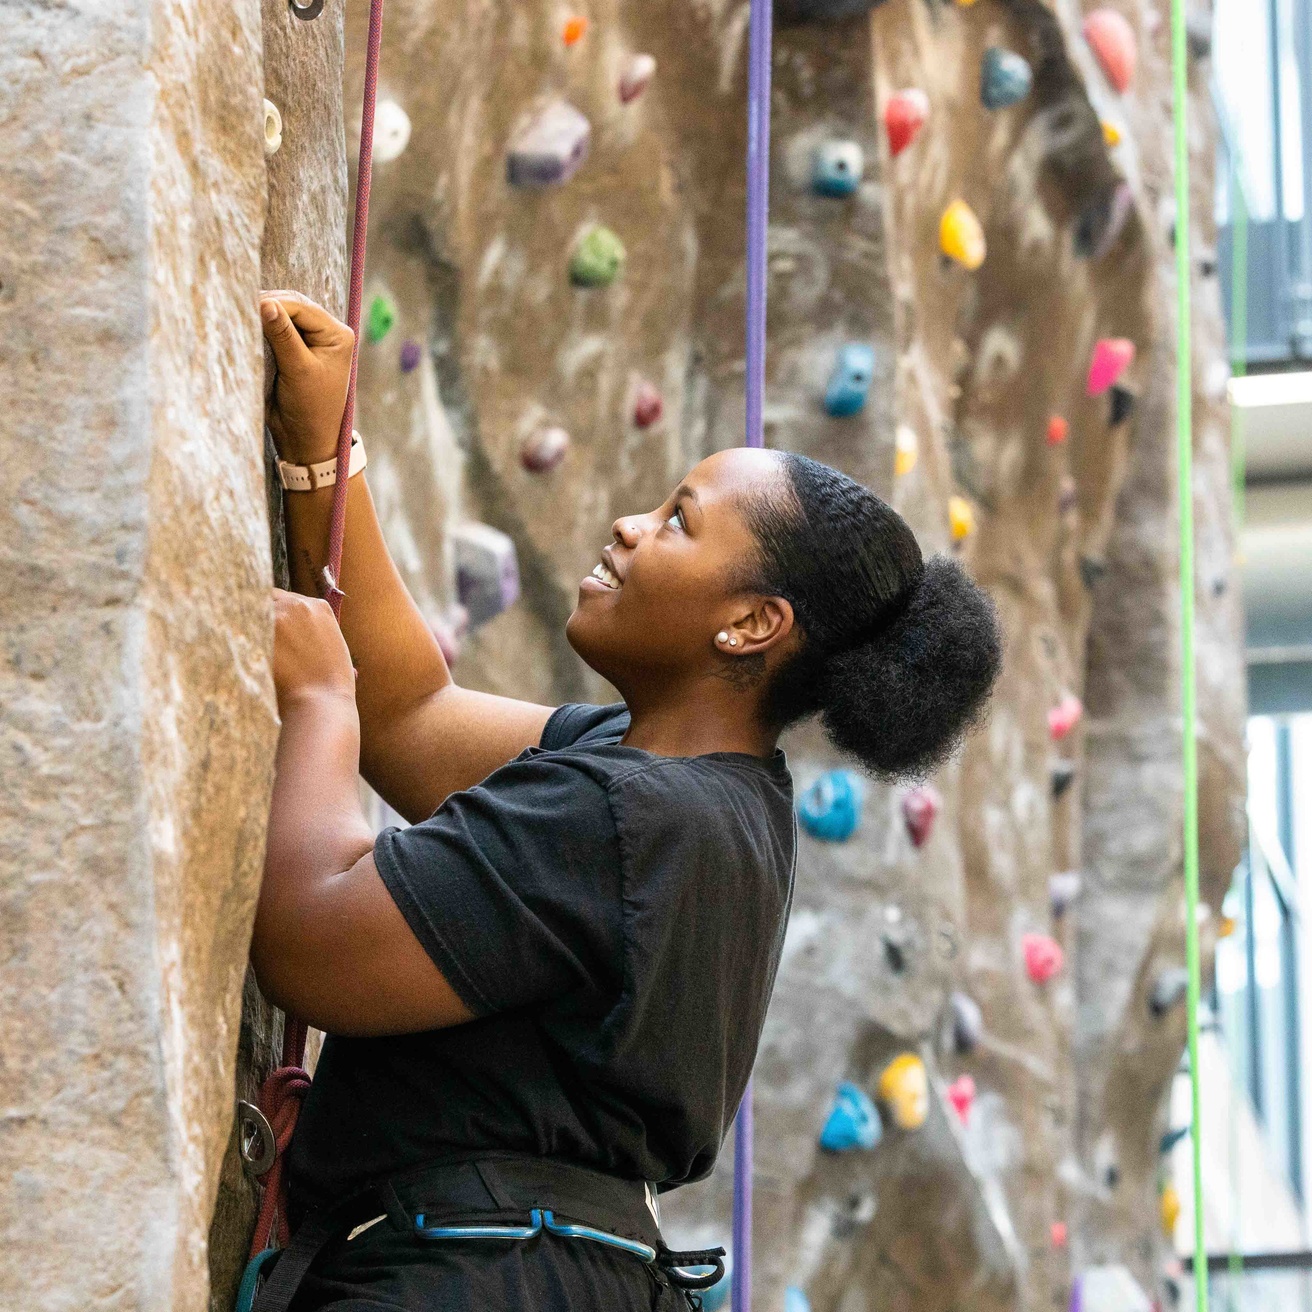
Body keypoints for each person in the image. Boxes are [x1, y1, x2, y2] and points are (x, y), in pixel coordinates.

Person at [252, 291, 1002, 1311]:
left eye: (677, 520)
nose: (629, 525)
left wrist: (316, 701)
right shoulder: (708, 797)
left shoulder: (635, 817)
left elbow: (310, 943)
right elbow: (413, 716)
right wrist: (324, 457)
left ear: (751, 624)